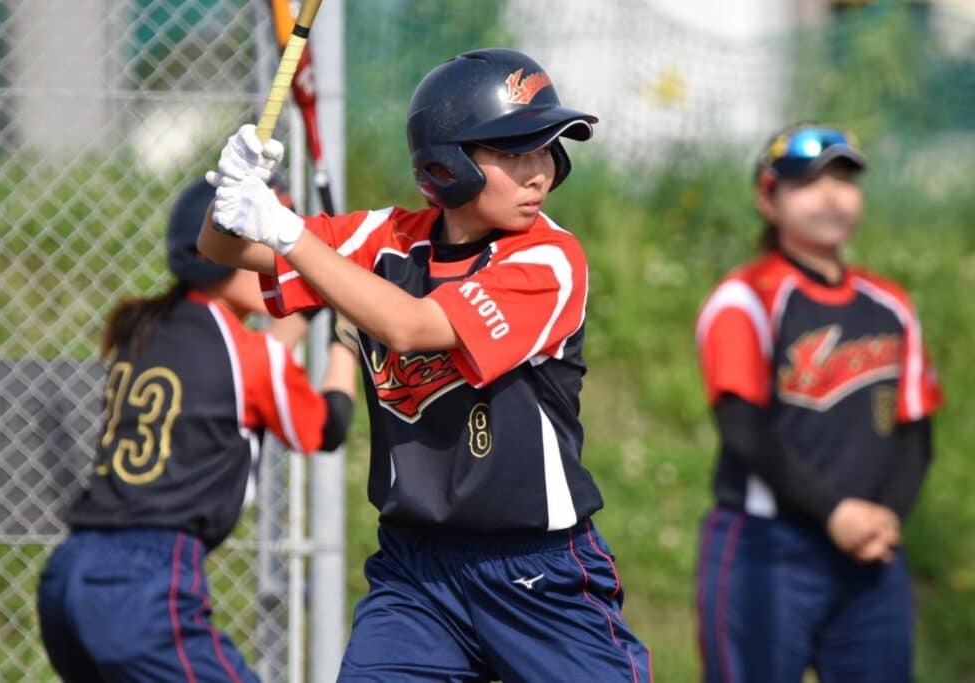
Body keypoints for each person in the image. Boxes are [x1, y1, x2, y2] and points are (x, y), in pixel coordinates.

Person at [198, 47, 654, 682]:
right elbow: (219, 249)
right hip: (417, 574)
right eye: (514, 152)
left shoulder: (550, 260)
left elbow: (409, 329)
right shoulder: (386, 239)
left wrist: (287, 231)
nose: (539, 174)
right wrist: (228, 193)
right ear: (446, 168)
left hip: (536, 573)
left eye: (547, 150)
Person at [36, 178, 358, 682]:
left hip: (71, 572)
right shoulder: (252, 357)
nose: (286, 266)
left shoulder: (147, 328)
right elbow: (327, 426)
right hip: (143, 583)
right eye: (272, 251)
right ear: (223, 254)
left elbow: (251, 360)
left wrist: (319, 298)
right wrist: (349, 339)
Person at [693, 123, 944, 683]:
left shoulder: (889, 304)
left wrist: (884, 520)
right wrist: (836, 512)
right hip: (769, 544)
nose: (831, 195)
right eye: (807, 182)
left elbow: (916, 429)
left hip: (872, 550)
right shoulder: (748, 297)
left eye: (844, 179)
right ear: (768, 197)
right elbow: (741, 426)